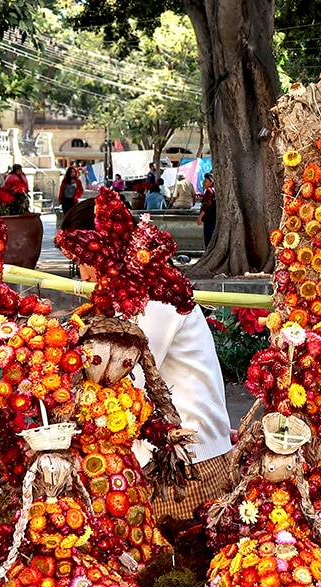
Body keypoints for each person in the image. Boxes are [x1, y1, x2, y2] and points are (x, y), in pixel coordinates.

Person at [60, 198, 234, 522]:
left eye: (81, 259)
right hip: (164, 459)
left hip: (187, 465)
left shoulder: (152, 297)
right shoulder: (134, 289)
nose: (82, 272)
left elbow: (121, 385)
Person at [197, 172, 217, 247]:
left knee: (208, 236)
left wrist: (200, 217)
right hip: (213, 217)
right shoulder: (214, 190)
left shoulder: (209, 190)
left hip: (209, 218)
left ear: (211, 182)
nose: (203, 183)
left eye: (205, 181)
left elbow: (207, 205)